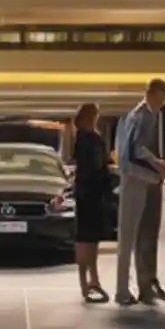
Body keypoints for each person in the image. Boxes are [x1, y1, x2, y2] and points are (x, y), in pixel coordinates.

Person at [114, 78, 165, 306]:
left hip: (136, 180)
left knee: (135, 238)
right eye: (161, 97)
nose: (162, 102)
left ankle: (139, 287)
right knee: (131, 238)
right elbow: (135, 152)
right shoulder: (143, 116)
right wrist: (159, 169)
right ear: (152, 93)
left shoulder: (136, 115)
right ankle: (123, 290)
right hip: (136, 181)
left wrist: (158, 167)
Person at [71, 103, 111, 303]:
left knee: (84, 237)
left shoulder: (79, 138)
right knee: (90, 239)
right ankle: (92, 280)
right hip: (93, 194)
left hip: (83, 193)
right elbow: (98, 167)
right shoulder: (93, 139)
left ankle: (86, 281)